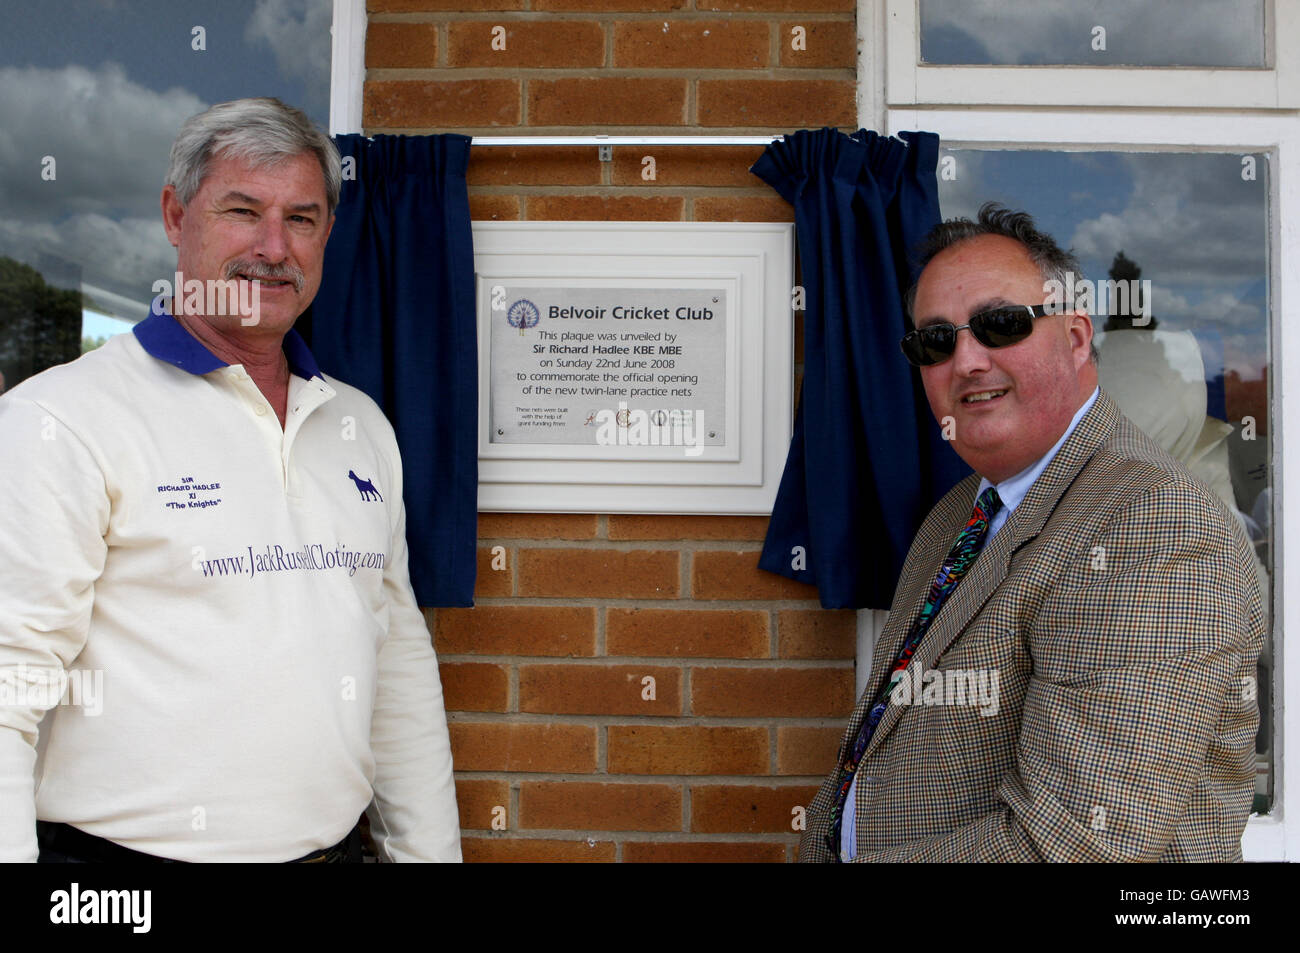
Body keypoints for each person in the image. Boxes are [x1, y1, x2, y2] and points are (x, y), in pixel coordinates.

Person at [0, 98, 461, 862]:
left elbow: (398, 668)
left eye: (303, 219)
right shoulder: (60, 419)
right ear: (176, 216)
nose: (273, 248)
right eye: (243, 210)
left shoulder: (358, 425)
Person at [799, 203, 1264, 862]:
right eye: (935, 340)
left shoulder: (1152, 525)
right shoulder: (958, 513)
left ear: (1075, 339)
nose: (965, 361)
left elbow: (1074, 844)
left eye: (1000, 324)